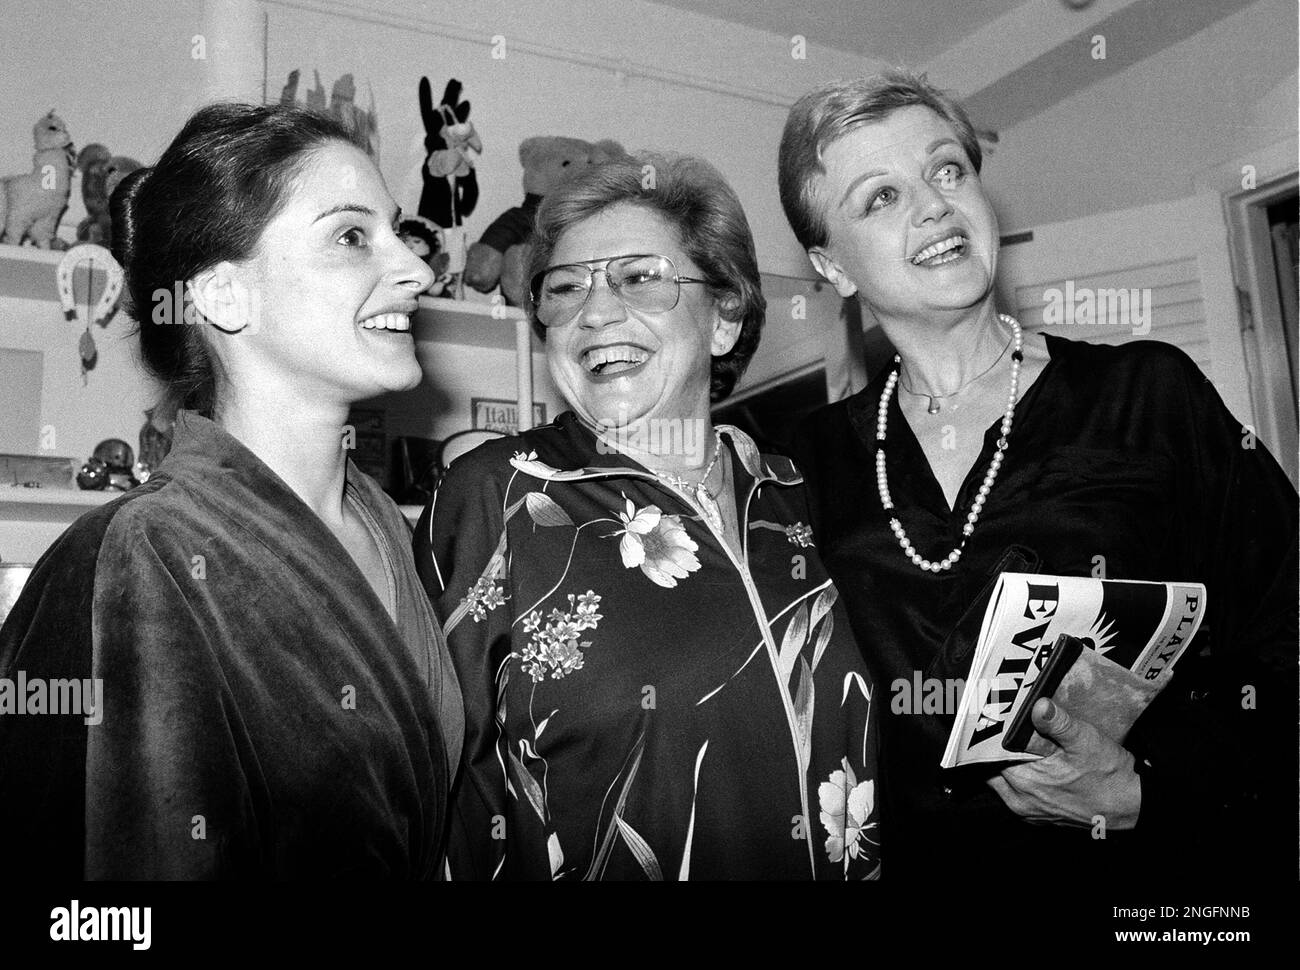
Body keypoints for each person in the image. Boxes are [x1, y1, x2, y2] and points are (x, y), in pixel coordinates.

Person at [777, 69, 1299, 882]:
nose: (934, 206)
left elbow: (1286, 640)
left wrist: (1147, 790)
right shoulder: (801, 464)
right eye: (881, 197)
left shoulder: (1146, 397)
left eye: (948, 170)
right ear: (831, 265)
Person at [0, 103, 463, 879]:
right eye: (352, 236)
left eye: (395, 230)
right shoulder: (137, 556)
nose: (418, 268)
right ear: (221, 297)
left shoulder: (387, 526)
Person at [414, 154, 880, 880]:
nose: (595, 312)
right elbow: (445, 799)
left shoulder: (803, 490)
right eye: (564, 288)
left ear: (724, 318)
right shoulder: (496, 497)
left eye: (639, 278)